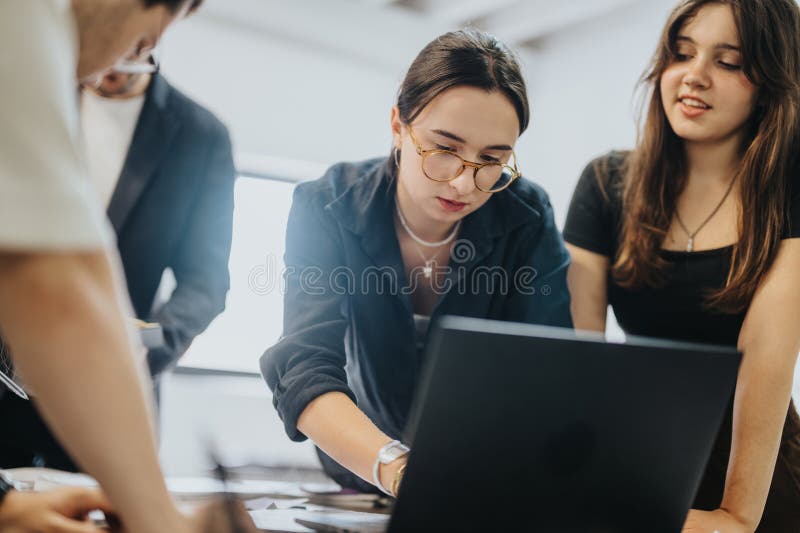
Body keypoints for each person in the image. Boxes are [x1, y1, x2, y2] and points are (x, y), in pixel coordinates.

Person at [262, 29, 573, 496]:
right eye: (444, 149)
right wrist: (395, 467)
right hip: (362, 468)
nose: (465, 184)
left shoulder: (526, 216)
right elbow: (305, 366)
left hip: (480, 481)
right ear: (397, 126)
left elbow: (548, 370)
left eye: (491, 159)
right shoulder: (327, 206)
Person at [0, 1, 255, 532]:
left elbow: (206, 281)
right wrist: (162, 521)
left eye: (141, 52)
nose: (101, 71)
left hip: (107, 384)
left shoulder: (200, 137)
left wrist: (146, 341)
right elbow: (51, 280)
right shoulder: (24, 34)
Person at [564, 1, 800, 531]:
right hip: (636, 451)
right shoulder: (606, 184)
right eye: (682, 53)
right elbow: (577, 359)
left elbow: (766, 359)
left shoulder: (787, 191)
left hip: (754, 463)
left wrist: (735, 516)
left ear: (770, 80)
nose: (695, 76)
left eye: (729, 62)